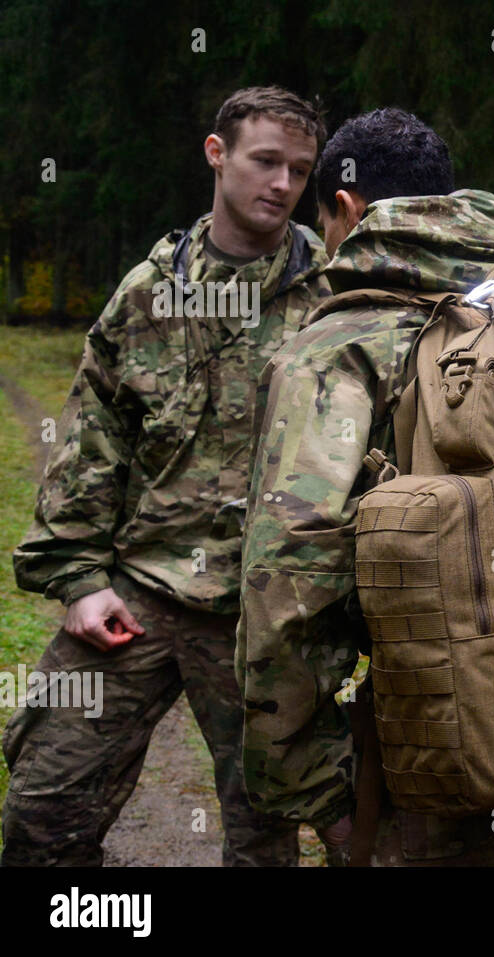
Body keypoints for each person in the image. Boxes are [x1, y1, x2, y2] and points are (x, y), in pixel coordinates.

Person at [236, 107, 494, 866]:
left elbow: (285, 587)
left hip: (428, 766)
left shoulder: (337, 348)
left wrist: (317, 792)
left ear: (346, 210)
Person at [3, 86, 329, 866]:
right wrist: (80, 579)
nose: (281, 184)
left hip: (267, 616)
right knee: (42, 809)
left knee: (266, 841)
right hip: (141, 595)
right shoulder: (148, 295)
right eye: (264, 161)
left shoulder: (335, 297)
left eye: (299, 169)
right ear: (217, 156)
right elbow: (94, 436)